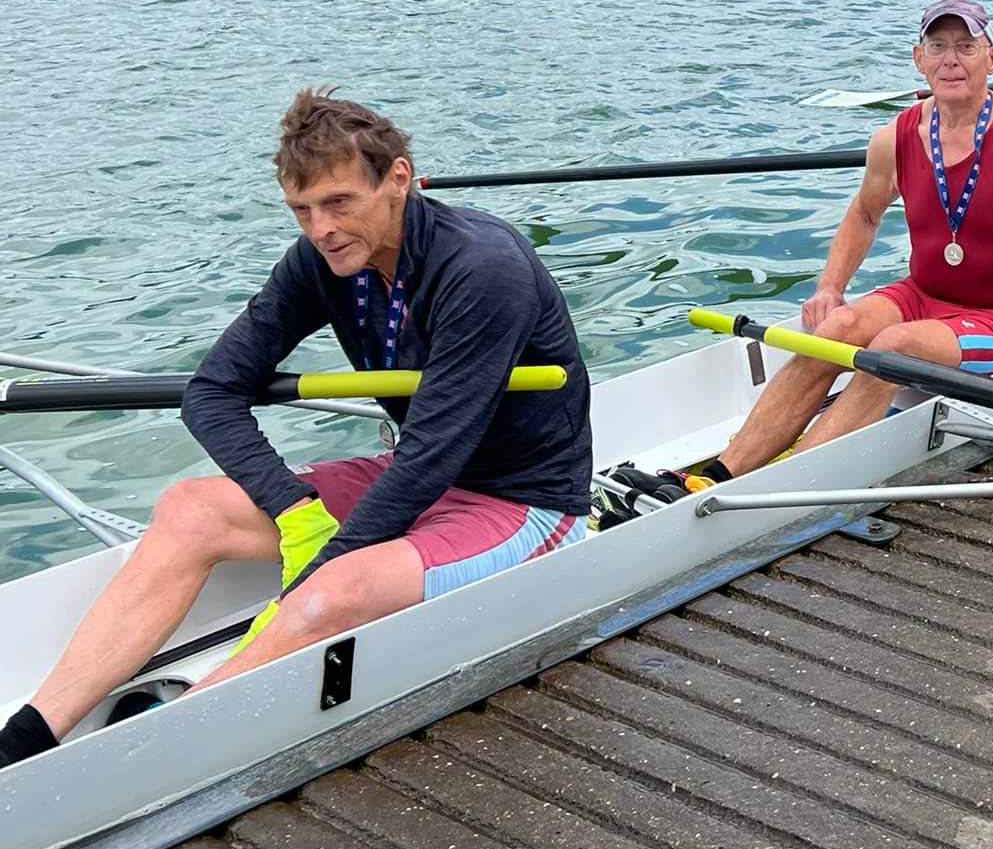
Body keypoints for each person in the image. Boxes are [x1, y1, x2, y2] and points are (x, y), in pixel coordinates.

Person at [0, 92, 592, 772]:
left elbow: (432, 455)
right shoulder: (320, 263)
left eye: (339, 202)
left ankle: (134, 763)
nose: (321, 229)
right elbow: (212, 392)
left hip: (522, 501)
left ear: (398, 179)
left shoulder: (481, 267)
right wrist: (291, 508)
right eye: (302, 211)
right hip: (421, 478)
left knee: (329, 592)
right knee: (189, 509)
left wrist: (316, 566)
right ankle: (27, 739)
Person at [692, 0, 993, 486]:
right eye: (938, 46)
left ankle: (783, 486)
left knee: (894, 346)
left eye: (966, 46)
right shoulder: (895, 137)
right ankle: (717, 477)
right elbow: (864, 212)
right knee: (838, 327)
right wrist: (829, 286)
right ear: (917, 59)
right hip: (921, 294)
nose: (951, 60)